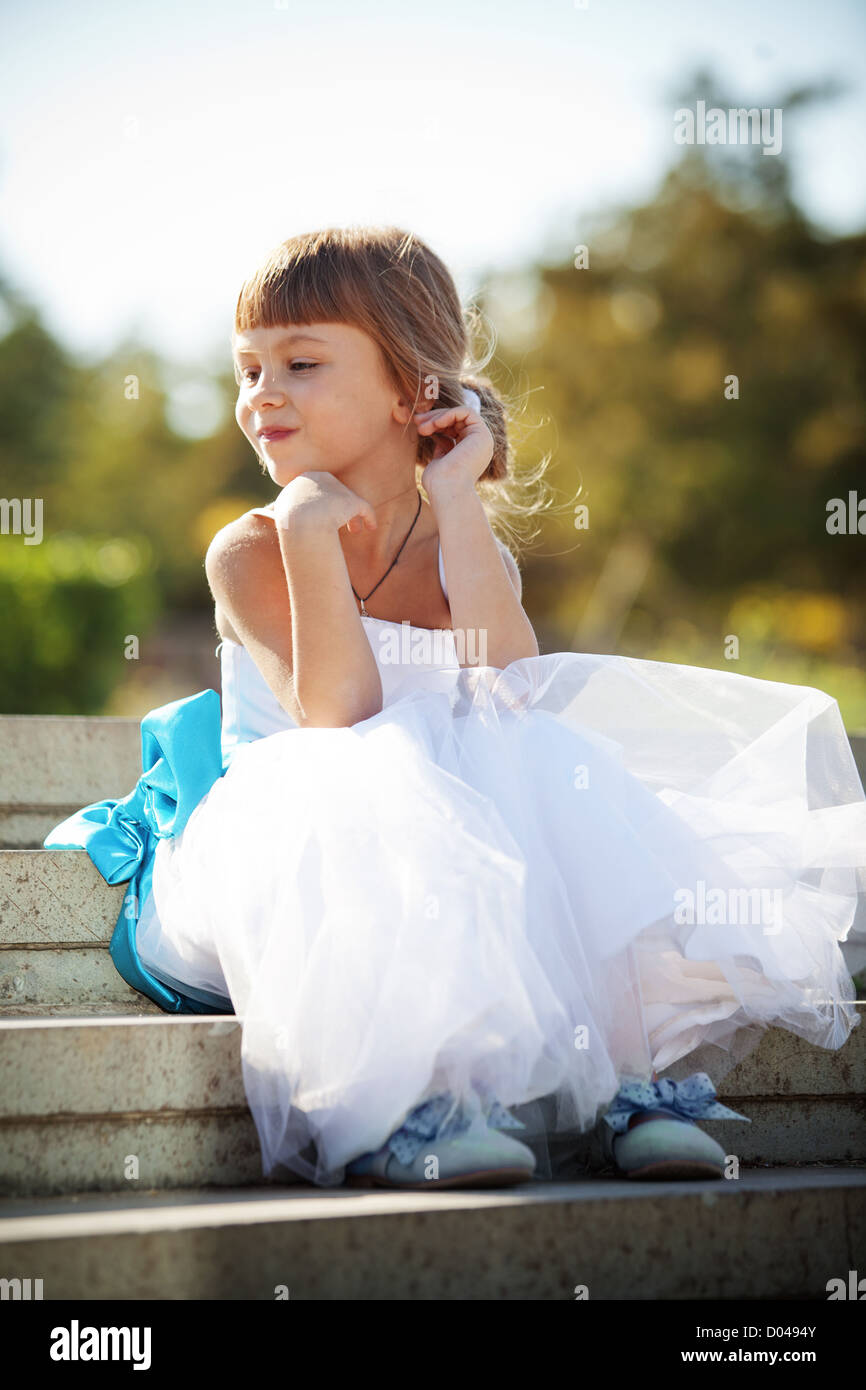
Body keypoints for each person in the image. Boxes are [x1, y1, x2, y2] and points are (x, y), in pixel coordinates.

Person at [124, 225, 865, 1190]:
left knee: (547, 766)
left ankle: (634, 1086)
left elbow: (517, 687)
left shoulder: (461, 540)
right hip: (301, 840)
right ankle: (412, 1103)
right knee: (378, 788)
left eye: (300, 363)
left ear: (411, 389)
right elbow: (338, 719)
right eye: (248, 368)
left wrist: (458, 500)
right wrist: (308, 536)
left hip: (454, 833)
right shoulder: (254, 547)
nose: (262, 393)